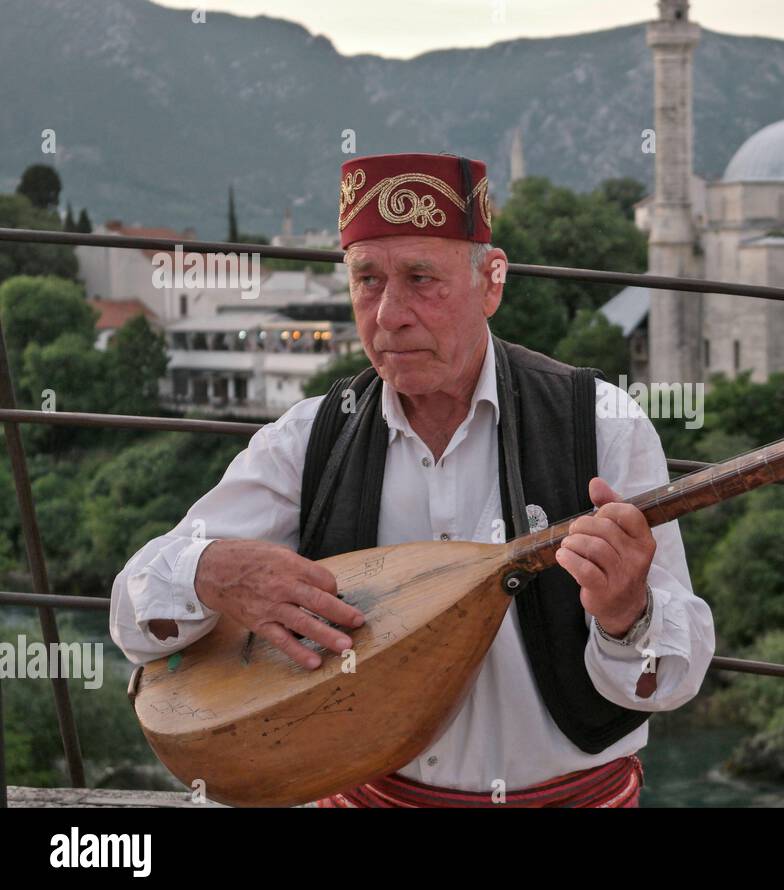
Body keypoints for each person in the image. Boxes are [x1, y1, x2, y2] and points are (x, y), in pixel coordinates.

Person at [109, 152, 715, 807]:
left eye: (422, 277)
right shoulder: (311, 438)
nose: (390, 313)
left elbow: (678, 677)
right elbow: (131, 613)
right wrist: (208, 571)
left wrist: (629, 615)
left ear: (492, 282)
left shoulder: (601, 424)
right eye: (368, 279)